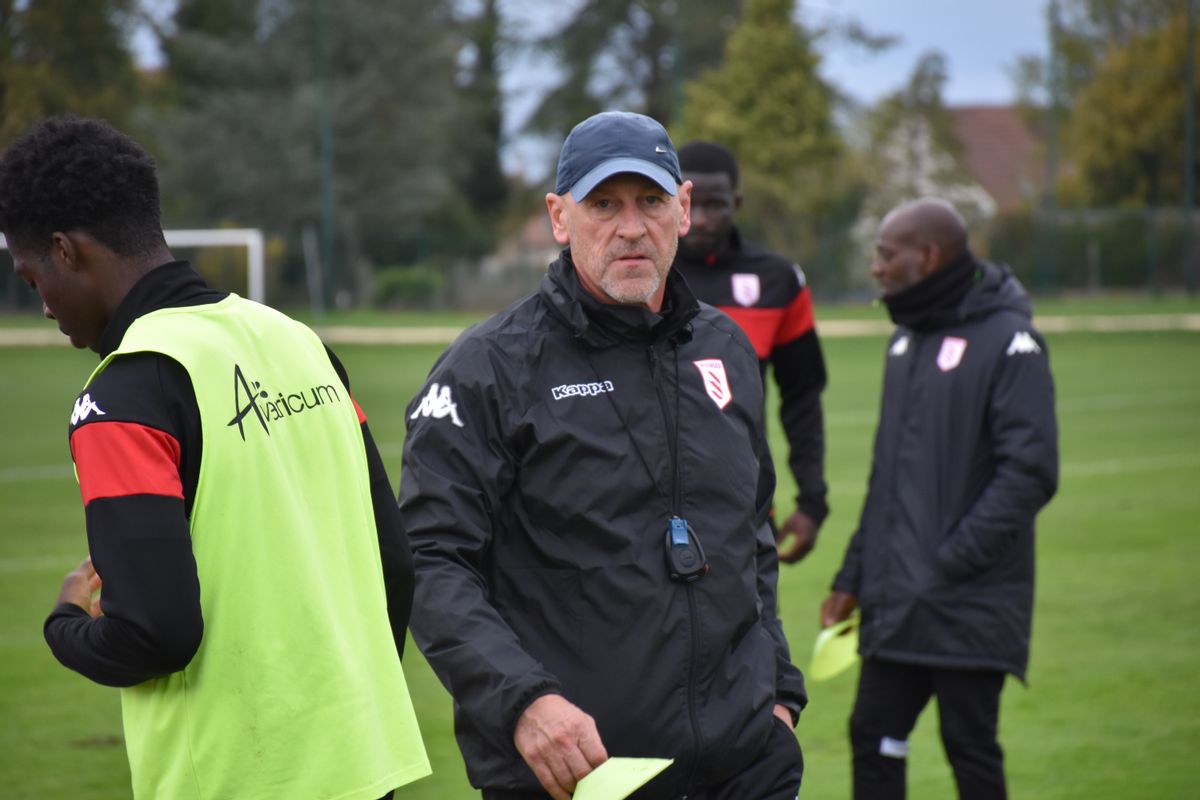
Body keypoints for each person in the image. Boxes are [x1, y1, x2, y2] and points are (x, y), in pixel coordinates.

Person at [0, 116, 430, 800]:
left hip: (236, 779)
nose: (44, 306)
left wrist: (64, 625)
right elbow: (397, 563)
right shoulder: (301, 343)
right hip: (363, 765)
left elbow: (155, 634)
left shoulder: (122, 397)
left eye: (31, 279)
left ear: (66, 250)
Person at [399, 111, 806, 800]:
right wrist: (524, 702)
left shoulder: (725, 349)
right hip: (580, 777)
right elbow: (431, 559)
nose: (629, 227)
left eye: (649, 202)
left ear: (681, 209)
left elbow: (751, 532)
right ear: (560, 218)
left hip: (745, 770)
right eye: (603, 205)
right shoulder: (489, 368)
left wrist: (780, 695)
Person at [820, 198, 1058, 800]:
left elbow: (1030, 472)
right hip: (898, 600)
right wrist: (853, 574)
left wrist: (948, 560)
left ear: (926, 257)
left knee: (968, 745)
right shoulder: (906, 343)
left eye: (885, 255)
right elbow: (887, 481)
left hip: (968, 600)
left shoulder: (1010, 340)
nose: (876, 268)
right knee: (872, 734)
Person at [672, 141, 828, 563]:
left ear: (737, 203)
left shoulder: (777, 281)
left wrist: (812, 499)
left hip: (746, 502)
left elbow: (802, 397)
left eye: (716, 205)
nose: (701, 219)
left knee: (753, 626)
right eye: (690, 203)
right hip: (644, 503)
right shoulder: (636, 273)